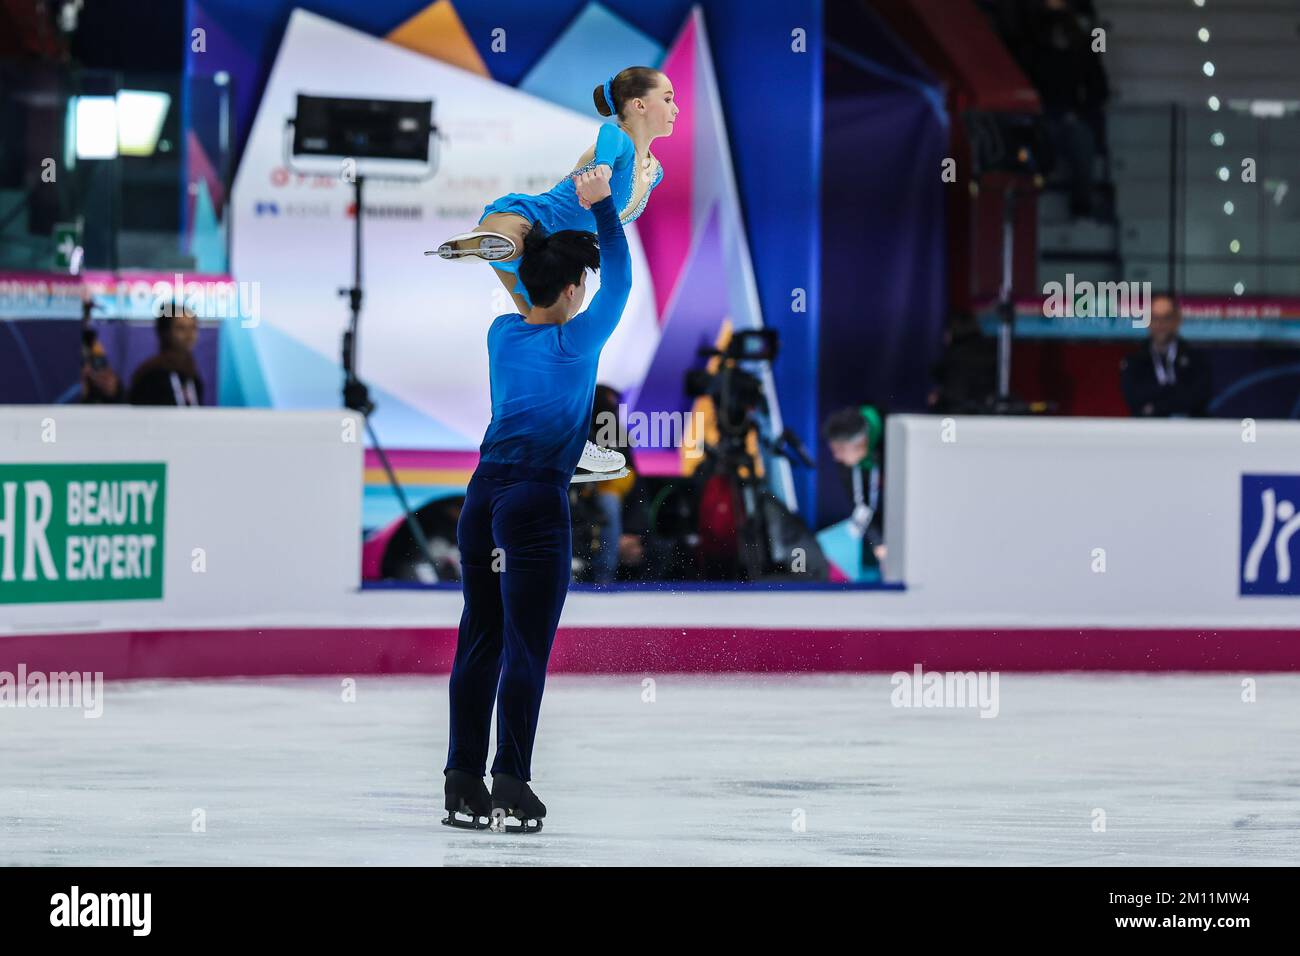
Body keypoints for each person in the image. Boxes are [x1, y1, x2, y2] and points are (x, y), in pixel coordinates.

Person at [442, 165, 631, 833]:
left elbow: (530, 291)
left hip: (481, 499)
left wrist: (538, 242)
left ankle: (461, 779)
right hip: (533, 504)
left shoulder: (505, 335)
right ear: (578, 288)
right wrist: (604, 209)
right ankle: (511, 782)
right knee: (525, 646)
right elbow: (625, 279)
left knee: (480, 638)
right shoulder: (577, 341)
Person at [434, 66, 676, 314]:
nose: (675, 109)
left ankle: (493, 247)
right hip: (533, 219)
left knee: (543, 326)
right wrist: (603, 166)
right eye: (667, 99)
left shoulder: (654, 172)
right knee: (517, 240)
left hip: (555, 258)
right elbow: (609, 134)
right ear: (639, 105)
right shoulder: (621, 143)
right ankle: (485, 239)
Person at [1119, 294, 1212, 417]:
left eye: (1166, 318)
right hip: (1148, 430)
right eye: (1155, 318)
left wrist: (1155, 405)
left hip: (1191, 430)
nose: (1160, 324)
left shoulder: (1196, 359)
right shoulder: (1134, 361)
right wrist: (1174, 392)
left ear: (1177, 321)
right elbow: (1134, 398)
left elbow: (1198, 397)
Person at [822, 405, 887, 571]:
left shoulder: (892, 433)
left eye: (841, 450)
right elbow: (860, 506)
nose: (836, 457)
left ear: (862, 443)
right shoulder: (847, 462)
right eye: (834, 450)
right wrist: (879, 544)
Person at [128, 304, 204, 406]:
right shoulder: (151, 376)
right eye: (181, 328)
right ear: (165, 332)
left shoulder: (193, 376)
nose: (189, 335)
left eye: (193, 327)